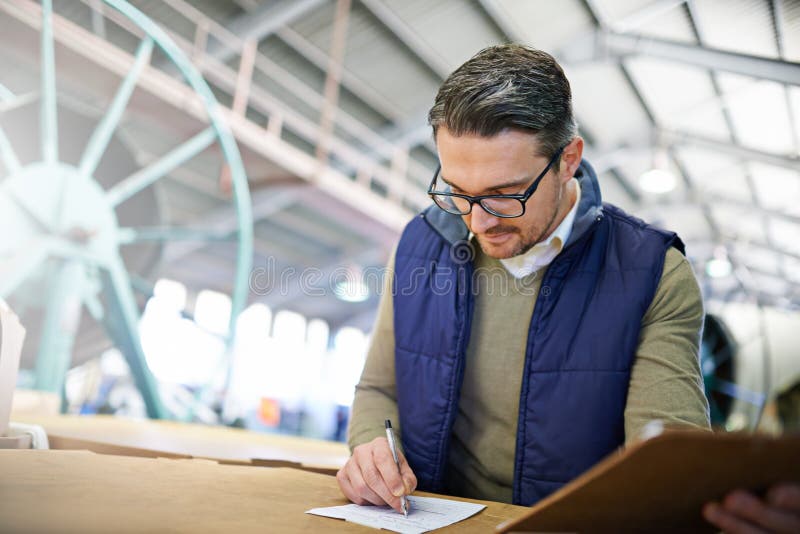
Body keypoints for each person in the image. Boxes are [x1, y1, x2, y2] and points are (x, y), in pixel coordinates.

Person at [336, 44, 800, 533]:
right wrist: (372, 447)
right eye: (457, 191)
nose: (478, 220)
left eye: (505, 194)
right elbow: (378, 388)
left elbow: (664, 455)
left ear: (568, 160)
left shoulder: (652, 271)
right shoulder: (419, 246)